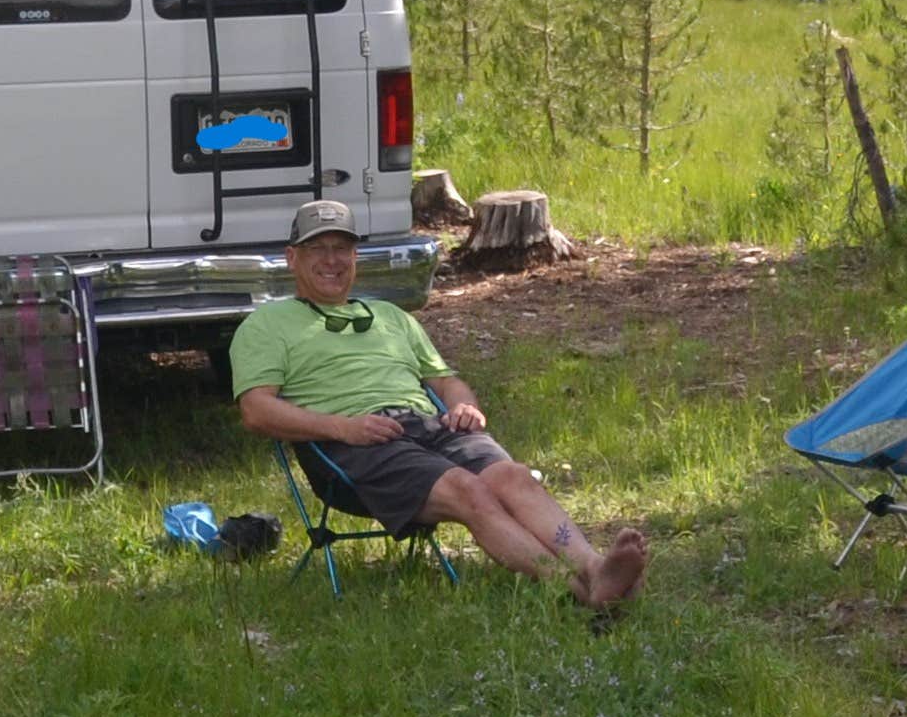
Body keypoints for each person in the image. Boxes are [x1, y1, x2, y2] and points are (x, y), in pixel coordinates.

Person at [228, 201, 645, 612]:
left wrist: (463, 406)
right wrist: (344, 427)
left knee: (513, 477)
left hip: (428, 426)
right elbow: (256, 411)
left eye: (342, 248)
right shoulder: (266, 325)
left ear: (355, 256)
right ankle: (573, 592)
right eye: (318, 248)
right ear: (292, 258)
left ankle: (596, 570)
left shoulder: (390, 316)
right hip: (352, 448)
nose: (332, 260)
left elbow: (445, 382)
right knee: (468, 490)